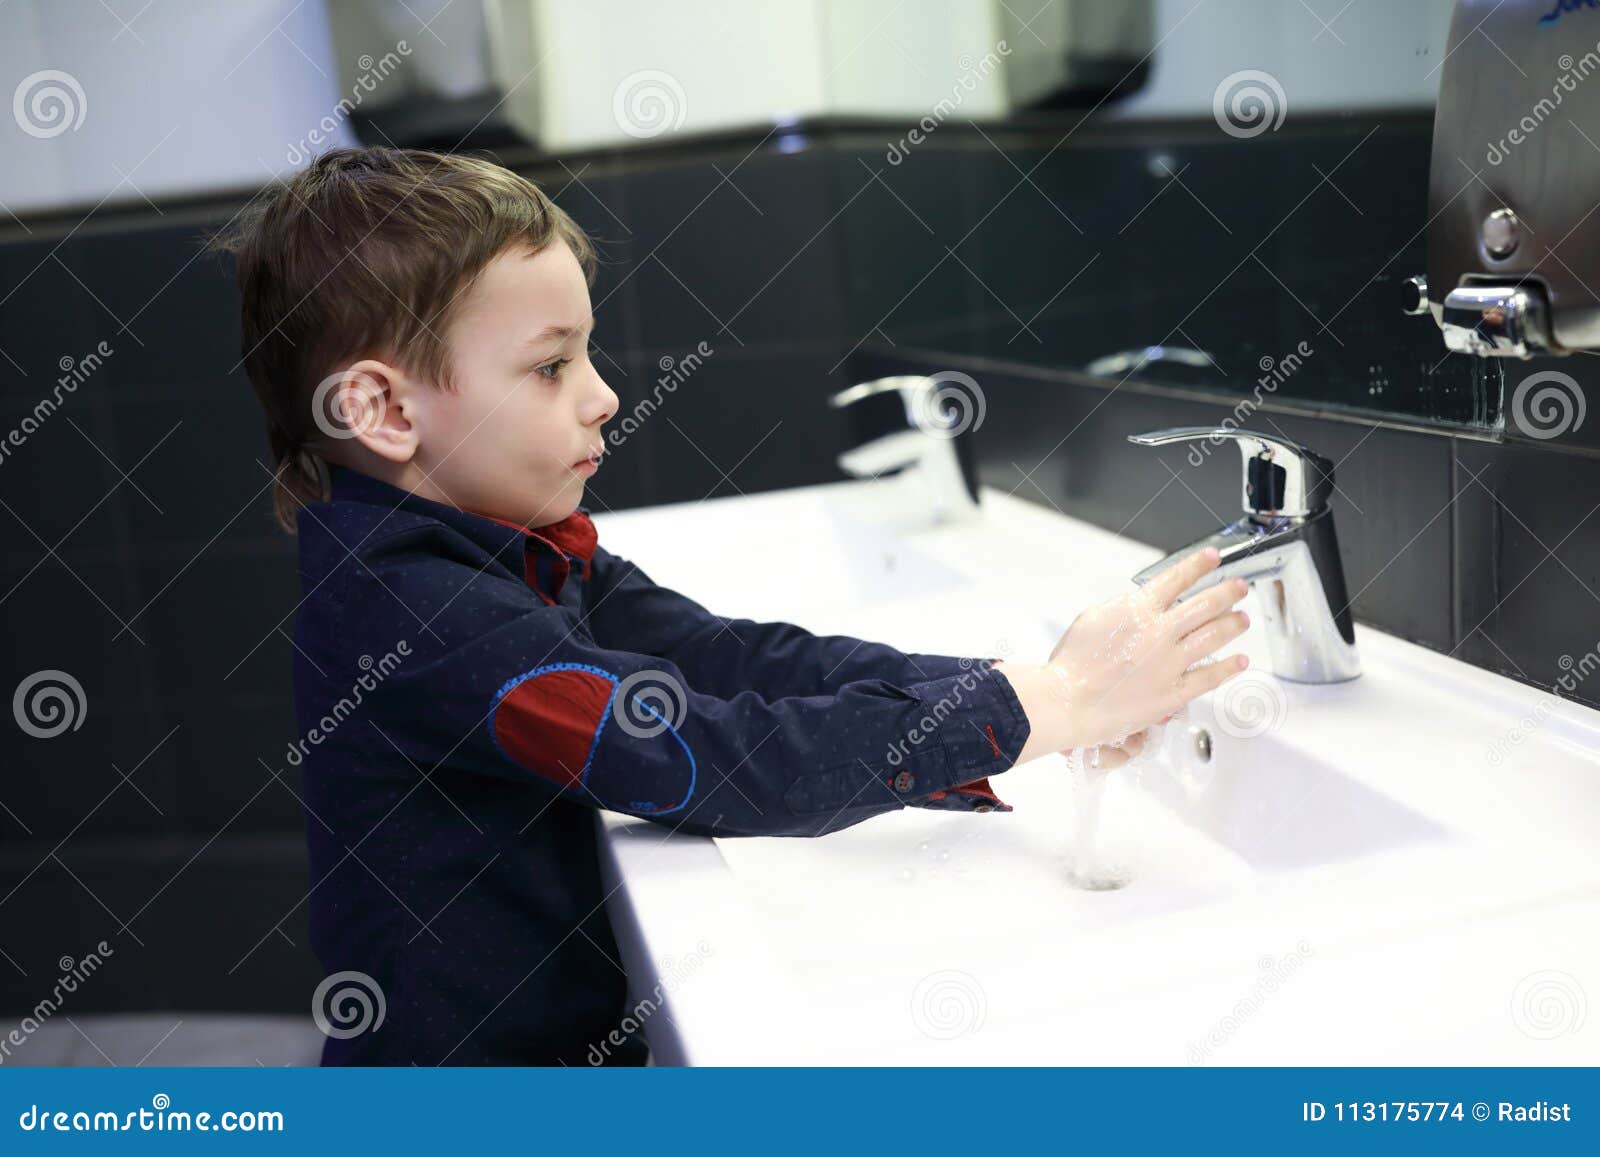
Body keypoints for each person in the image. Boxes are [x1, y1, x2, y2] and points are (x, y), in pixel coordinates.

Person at [210, 146, 1250, 1066]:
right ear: (383, 409)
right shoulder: (418, 616)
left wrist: (1030, 697)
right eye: (549, 365)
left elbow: (732, 659)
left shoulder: (507, 556)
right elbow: (705, 754)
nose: (602, 392)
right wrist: (1044, 705)